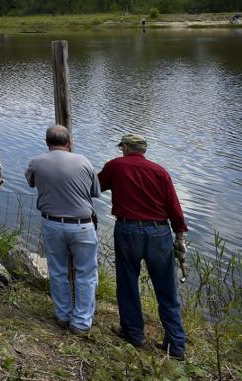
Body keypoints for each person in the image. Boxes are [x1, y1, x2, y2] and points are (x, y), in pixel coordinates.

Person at [98, 133, 188, 360]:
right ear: (144, 150)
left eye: (122, 147)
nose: (121, 151)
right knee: (167, 289)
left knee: (128, 282)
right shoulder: (160, 171)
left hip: (128, 230)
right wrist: (179, 239)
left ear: (127, 148)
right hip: (160, 232)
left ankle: (134, 333)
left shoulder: (116, 166)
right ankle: (176, 346)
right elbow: (175, 209)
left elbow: (95, 186)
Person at [25, 124, 101, 336]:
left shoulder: (36, 162)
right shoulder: (84, 161)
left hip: (52, 223)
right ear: (69, 142)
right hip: (82, 225)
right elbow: (96, 192)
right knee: (86, 273)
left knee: (57, 270)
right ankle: (82, 322)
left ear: (46, 142)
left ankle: (63, 315)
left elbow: (31, 182)